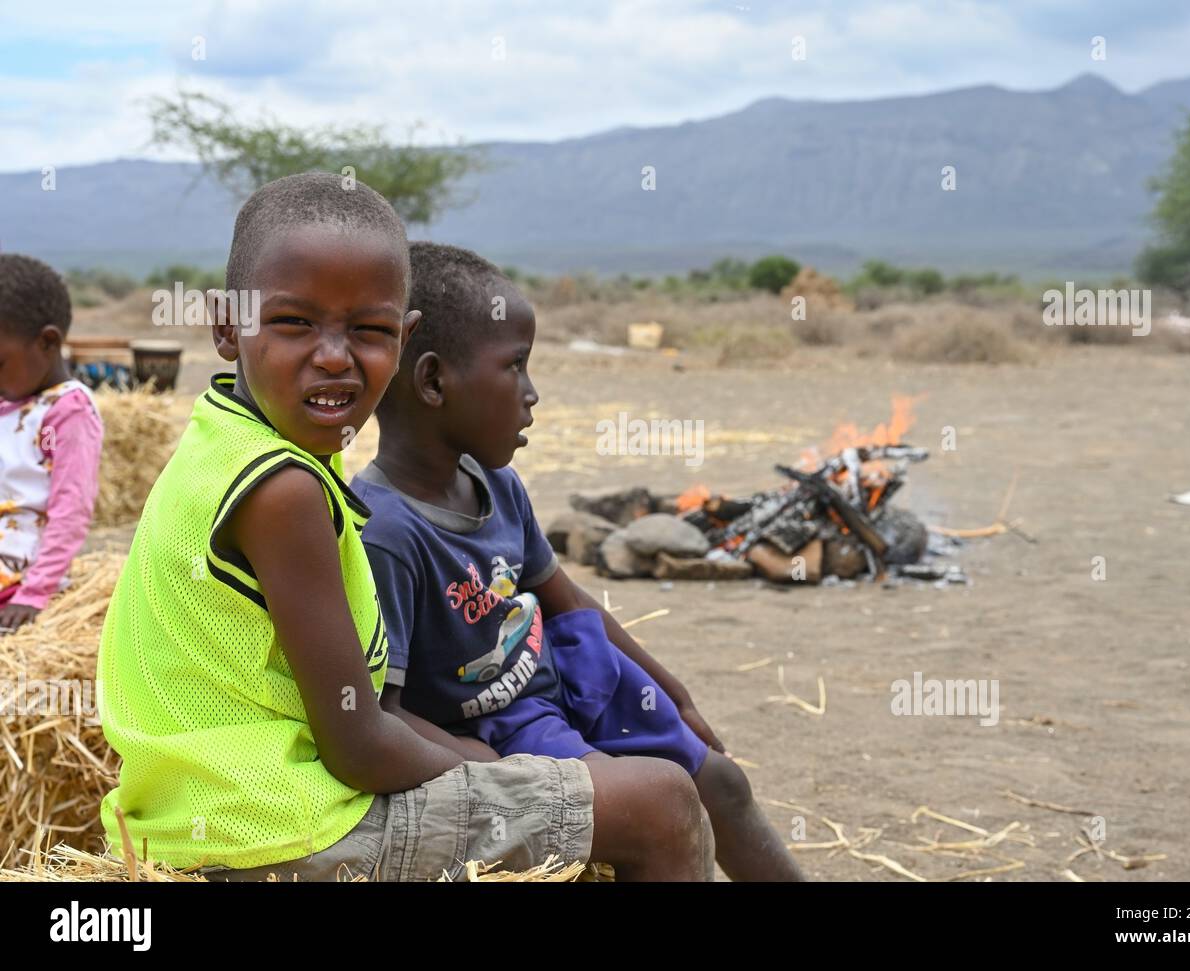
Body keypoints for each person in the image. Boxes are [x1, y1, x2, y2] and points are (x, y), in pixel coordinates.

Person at [96, 173, 713, 882]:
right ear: (227, 326)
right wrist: (486, 762)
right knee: (662, 803)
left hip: (196, 819)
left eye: (369, 330)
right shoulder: (284, 489)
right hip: (286, 833)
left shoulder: (217, 440)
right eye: (295, 322)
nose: (335, 355)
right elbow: (358, 745)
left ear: (404, 337)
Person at [354, 242, 803, 881]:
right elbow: (387, 710)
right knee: (663, 813)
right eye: (515, 368)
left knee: (721, 782)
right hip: (506, 729)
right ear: (433, 382)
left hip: (576, 675)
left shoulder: (495, 484)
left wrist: (674, 695)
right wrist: (492, 770)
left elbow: (569, 602)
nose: (532, 394)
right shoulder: (387, 533)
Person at [0, 254, 103, 633]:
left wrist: (34, 593)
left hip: (18, 574)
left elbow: (71, 511)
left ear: (47, 342)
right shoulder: (11, 398)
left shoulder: (66, 411)